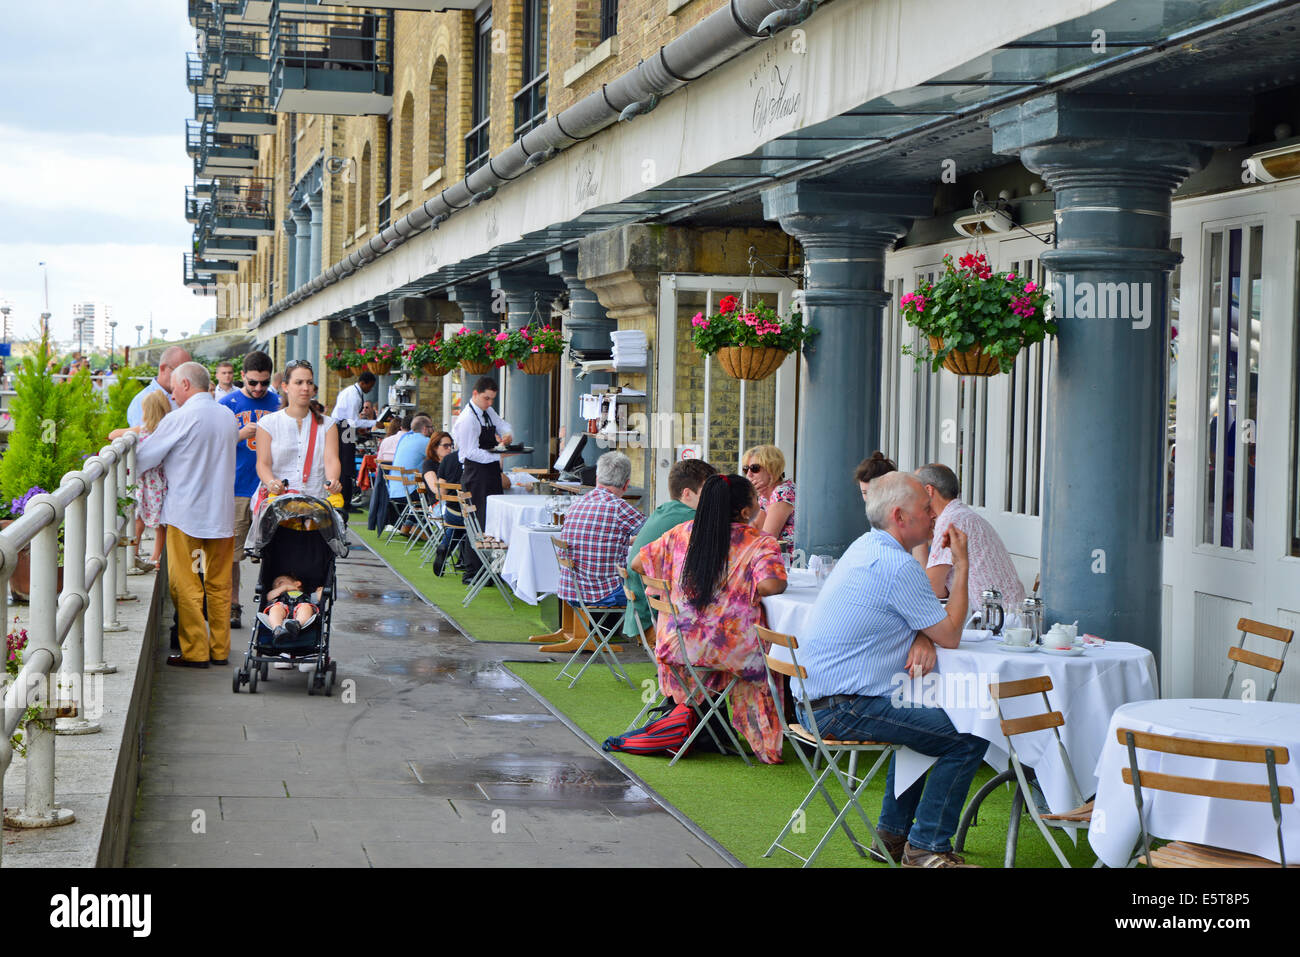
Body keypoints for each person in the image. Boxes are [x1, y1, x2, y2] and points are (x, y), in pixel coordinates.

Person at [794, 472, 983, 867]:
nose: (934, 516)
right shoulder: (897, 566)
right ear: (900, 516)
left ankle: (893, 836)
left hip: (813, 702)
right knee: (968, 734)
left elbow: (920, 620)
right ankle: (927, 845)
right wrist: (961, 565)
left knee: (922, 724)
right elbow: (949, 633)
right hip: (841, 707)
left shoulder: (867, 547)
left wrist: (921, 635)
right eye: (926, 509)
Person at [631, 473, 788, 763]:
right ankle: (767, 738)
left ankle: (703, 723)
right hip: (734, 652)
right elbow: (769, 585)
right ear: (745, 512)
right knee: (774, 658)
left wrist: (673, 578)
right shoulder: (760, 542)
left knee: (716, 658)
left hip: (679, 646)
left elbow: (638, 563)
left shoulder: (681, 533)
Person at [133, 362, 237, 669]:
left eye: (175, 387)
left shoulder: (180, 418)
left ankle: (195, 651)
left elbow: (143, 458)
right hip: (221, 515)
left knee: (186, 584)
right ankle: (220, 650)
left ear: (187, 385)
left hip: (186, 515)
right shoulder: (227, 416)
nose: (172, 394)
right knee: (219, 586)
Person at [622, 458, 716, 640]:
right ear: (687, 493)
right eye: (707, 491)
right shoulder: (691, 519)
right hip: (657, 616)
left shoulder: (664, 510)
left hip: (640, 610)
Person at [220, 350, 279, 630]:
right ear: (242, 376)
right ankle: (233, 605)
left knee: (275, 552)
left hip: (271, 490)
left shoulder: (277, 402)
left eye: (264, 383)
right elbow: (212, 445)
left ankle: (275, 606)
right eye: (253, 382)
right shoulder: (227, 403)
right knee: (232, 554)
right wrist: (237, 435)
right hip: (238, 488)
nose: (258, 389)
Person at [914, 463, 1025, 606]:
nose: (911, 499)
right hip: (1006, 615)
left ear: (928, 490)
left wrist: (917, 524)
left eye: (914, 492)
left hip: (995, 621)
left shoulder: (950, 520)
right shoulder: (961, 514)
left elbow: (932, 589)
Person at [559, 451, 645, 608]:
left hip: (571, 591)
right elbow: (651, 533)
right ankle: (638, 632)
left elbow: (602, 538)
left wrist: (629, 540)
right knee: (654, 591)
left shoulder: (577, 504)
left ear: (597, 479)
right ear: (626, 484)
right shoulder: (619, 507)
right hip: (605, 593)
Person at [452, 376, 514, 585]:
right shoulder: (468, 419)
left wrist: (507, 435)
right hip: (475, 474)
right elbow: (469, 452)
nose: (489, 403)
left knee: (492, 520)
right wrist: (499, 455)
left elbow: (502, 424)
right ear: (475, 394)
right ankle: (472, 572)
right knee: (478, 522)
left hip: (489, 473)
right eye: (486, 399)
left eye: (492, 399)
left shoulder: (486, 412)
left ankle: (490, 570)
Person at [254, 359, 343, 504]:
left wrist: (333, 480)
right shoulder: (267, 423)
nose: (305, 388)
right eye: (299, 382)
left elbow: (331, 459)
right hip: (279, 503)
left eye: (309, 382)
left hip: (316, 503)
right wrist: (271, 482)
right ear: (285, 386)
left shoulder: (328, 424)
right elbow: (263, 463)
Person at [110, 390, 174, 570]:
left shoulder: (142, 430)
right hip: (161, 481)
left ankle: (134, 553)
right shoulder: (168, 431)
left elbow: (113, 434)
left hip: (143, 480)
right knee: (160, 522)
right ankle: (156, 558)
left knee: (138, 518)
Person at [330, 370, 378, 518]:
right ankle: (344, 502)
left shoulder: (352, 391)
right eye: (370, 386)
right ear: (363, 383)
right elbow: (353, 422)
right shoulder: (353, 395)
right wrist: (375, 423)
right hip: (345, 428)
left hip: (344, 427)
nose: (370, 389)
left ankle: (346, 500)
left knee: (347, 463)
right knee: (346, 465)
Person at [743, 444, 796, 553]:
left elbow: (767, 538)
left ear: (771, 469)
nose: (749, 474)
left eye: (754, 468)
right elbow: (753, 530)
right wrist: (750, 496)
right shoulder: (765, 496)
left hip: (791, 563)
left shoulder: (783, 492)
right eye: (746, 469)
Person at [126, 345, 191, 428]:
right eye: (180, 372)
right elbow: (144, 437)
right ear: (163, 368)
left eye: (188, 373)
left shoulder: (186, 397)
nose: (184, 379)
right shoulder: (142, 401)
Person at [388, 414, 434, 524]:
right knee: (435, 489)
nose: (433, 430)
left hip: (394, 490)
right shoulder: (425, 441)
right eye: (431, 427)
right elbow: (440, 459)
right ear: (424, 429)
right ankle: (420, 526)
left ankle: (410, 523)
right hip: (409, 491)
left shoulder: (405, 438)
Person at [262, 575, 322, 641]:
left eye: (280, 583)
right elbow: (269, 597)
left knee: (306, 607)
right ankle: (277, 629)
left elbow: (318, 598)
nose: (277, 586)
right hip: (282, 608)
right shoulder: (277, 595)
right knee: (276, 608)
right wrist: (285, 587)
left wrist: (320, 590)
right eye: (275, 587)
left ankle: (297, 624)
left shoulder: (307, 595)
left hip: (301, 609)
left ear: (297, 583)